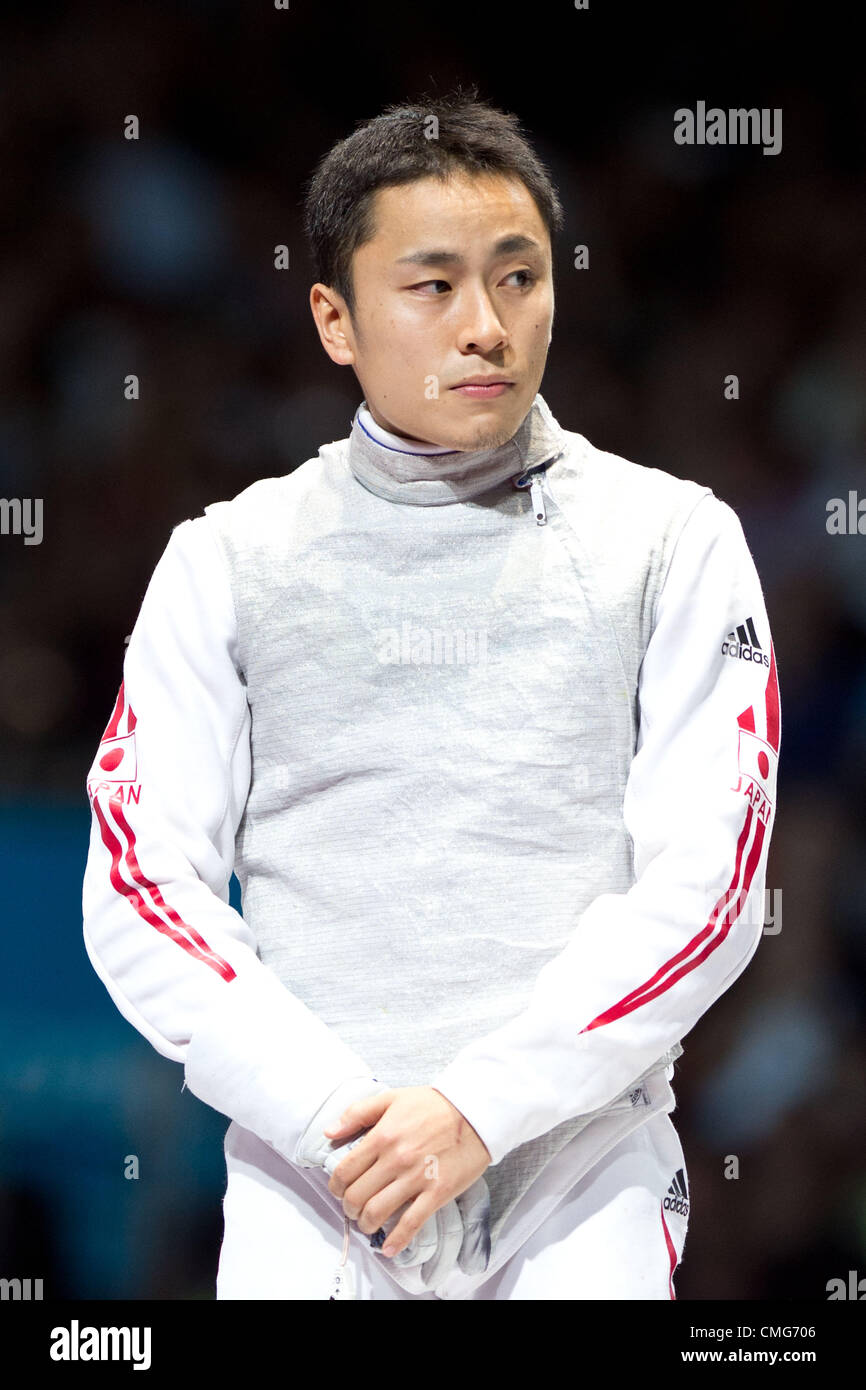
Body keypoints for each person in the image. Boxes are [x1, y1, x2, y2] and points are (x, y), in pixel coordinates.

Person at [81, 88, 781, 1300]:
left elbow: (711, 882)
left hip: (578, 1175)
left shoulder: (671, 540)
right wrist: (343, 1123)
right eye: (432, 285)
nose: (485, 326)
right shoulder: (230, 561)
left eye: (517, 278)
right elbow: (143, 892)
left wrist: (476, 1107)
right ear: (334, 320)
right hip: (318, 1182)